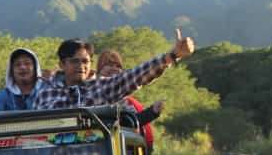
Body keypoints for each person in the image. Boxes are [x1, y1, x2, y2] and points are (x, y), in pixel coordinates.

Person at [34, 29, 194, 110]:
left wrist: (172, 56)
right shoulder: (45, 94)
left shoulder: (101, 87)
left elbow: (135, 76)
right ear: (62, 64)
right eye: (75, 61)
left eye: (85, 61)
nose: (81, 66)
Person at [96, 49, 163, 155]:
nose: (114, 68)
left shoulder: (130, 102)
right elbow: (125, 123)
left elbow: (132, 123)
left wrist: (153, 112)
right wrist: (151, 112)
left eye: (117, 65)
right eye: (109, 65)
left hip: (134, 153)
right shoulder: (93, 95)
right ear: (99, 70)